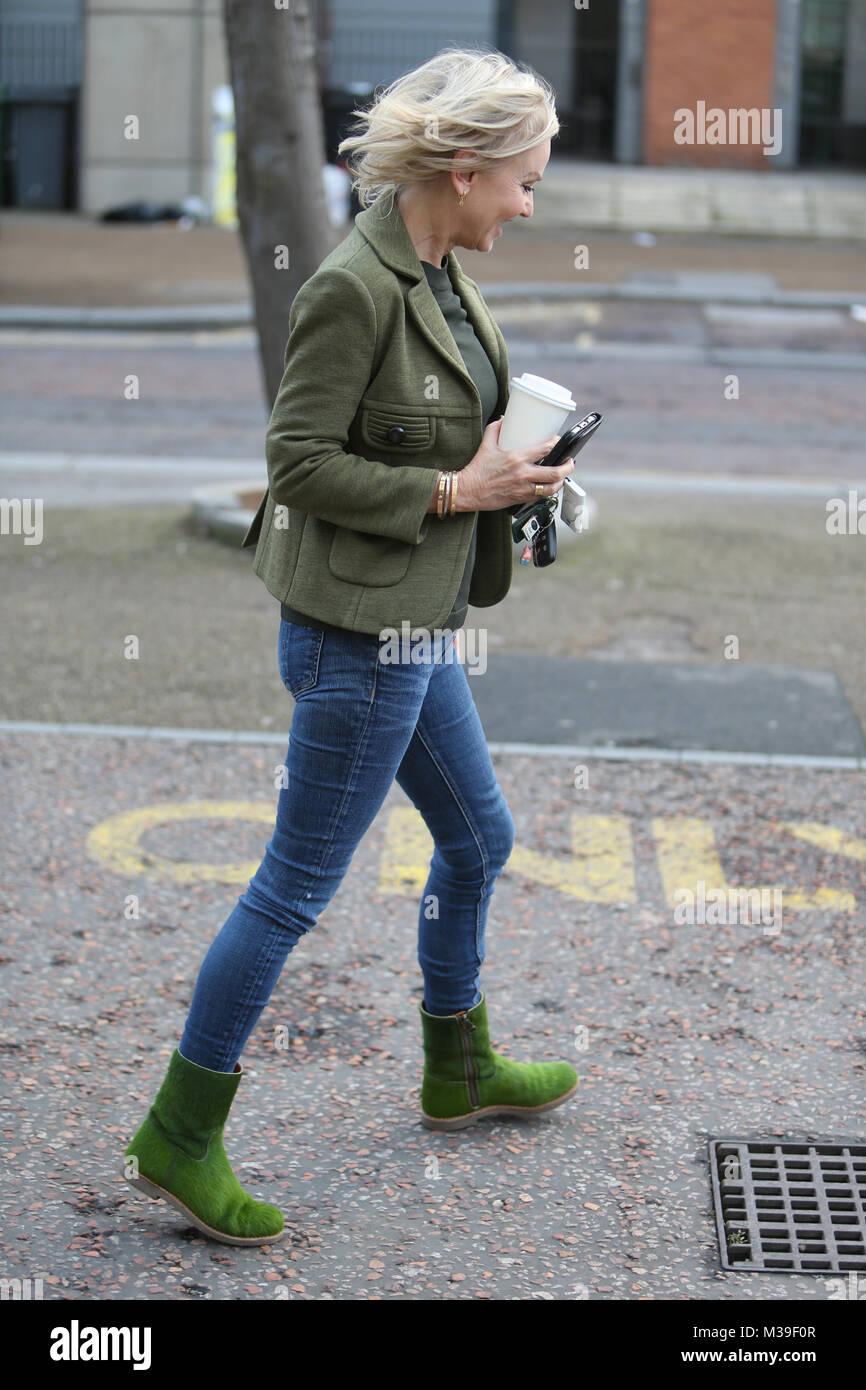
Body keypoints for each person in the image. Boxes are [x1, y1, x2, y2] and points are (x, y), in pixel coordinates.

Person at [124, 46, 579, 1247]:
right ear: (467, 170)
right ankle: (178, 1131)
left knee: (479, 838)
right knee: (292, 889)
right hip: (359, 637)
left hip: (418, 625)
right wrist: (448, 490)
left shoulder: (433, 266)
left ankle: (458, 1065)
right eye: (524, 182)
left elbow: (447, 425)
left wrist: (518, 475)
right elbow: (298, 463)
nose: (531, 204)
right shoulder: (352, 283)